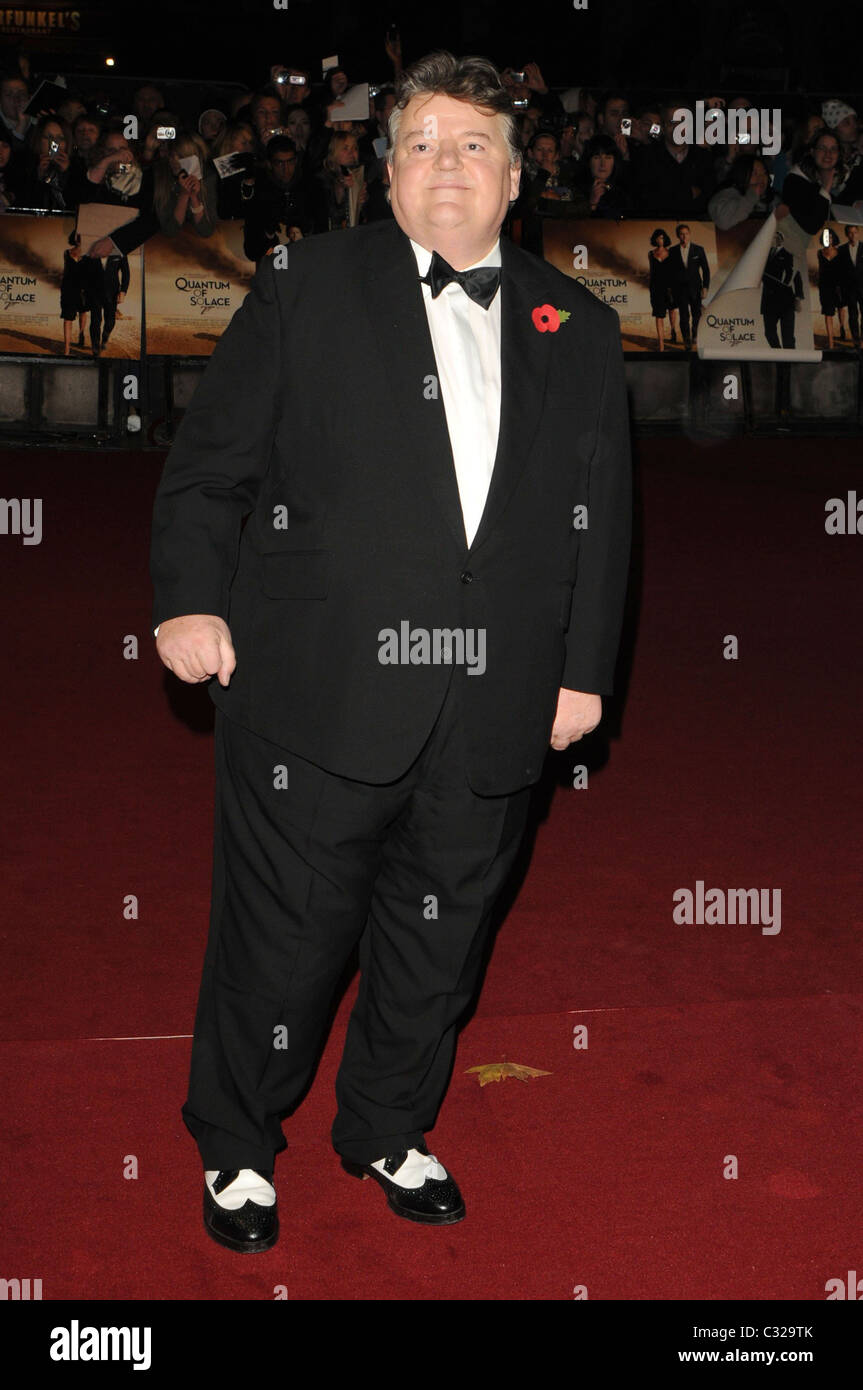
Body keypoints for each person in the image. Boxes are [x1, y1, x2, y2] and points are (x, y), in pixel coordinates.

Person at [150, 50, 631, 1255]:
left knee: (439, 936)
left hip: (499, 700)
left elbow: (603, 515)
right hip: (316, 688)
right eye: (420, 143)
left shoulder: (575, 323)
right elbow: (213, 463)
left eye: (473, 144)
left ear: (515, 176)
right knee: (283, 936)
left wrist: (581, 671)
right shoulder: (305, 283)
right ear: (387, 172)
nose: (445, 166)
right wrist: (187, 601)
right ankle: (238, 1146)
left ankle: (383, 1126)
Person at [707, 154, 781, 228]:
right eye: (755, 173)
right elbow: (724, 222)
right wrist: (752, 195)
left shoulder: (774, 200)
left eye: (764, 173)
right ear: (742, 174)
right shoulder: (725, 196)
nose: (761, 178)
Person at [667, 223, 710, 349]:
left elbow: (706, 270)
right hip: (680, 290)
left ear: (689, 234)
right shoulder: (673, 251)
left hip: (696, 288)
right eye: (681, 234)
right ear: (678, 236)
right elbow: (670, 272)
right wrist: (670, 289)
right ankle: (687, 340)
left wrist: (705, 287)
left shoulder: (698, 249)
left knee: (697, 314)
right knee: (684, 316)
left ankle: (695, 335)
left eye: (686, 233)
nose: (684, 236)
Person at [760, 229, 804, 349]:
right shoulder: (763, 254)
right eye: (773, 237)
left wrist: (798, 297)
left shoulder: (789, 255)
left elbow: (796, 277)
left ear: (782, 239)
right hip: (769, 300)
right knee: (769, 333)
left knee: (788, 338)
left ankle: (788, 364)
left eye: (778, 237)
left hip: (786, 301)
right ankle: (779, 356)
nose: (775, 239)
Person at [647, 227, 675, 350]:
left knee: (672, 310)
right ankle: (661, 345)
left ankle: (673, 330)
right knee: (659, 315)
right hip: (656, 287)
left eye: (662, 237)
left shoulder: (671, 253)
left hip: (670, 286)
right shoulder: (651, 253)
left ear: (665, 239)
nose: (660, 240)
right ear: (655, 239)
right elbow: (652, 271)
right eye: (658, 238)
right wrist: (651, 286)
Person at [816, 227, 844, 349]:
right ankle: (831, 343)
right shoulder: (819, 253)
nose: (829, 239)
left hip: (838, 286)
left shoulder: (840, 252)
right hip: (825, 287)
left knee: (841, 308)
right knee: (828, 314)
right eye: (826, 237)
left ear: (834, 238)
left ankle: (842, 327)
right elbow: (821, 270)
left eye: (831, 237)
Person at [836, 225, 863, 349]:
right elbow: (839, 271)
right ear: (847, 234)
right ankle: (856, 341)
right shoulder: (841, 250)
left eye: (855, 232)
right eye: (850, 233)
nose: (853, 235)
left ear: (858, 233)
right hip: (850, 288)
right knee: (853, 315)